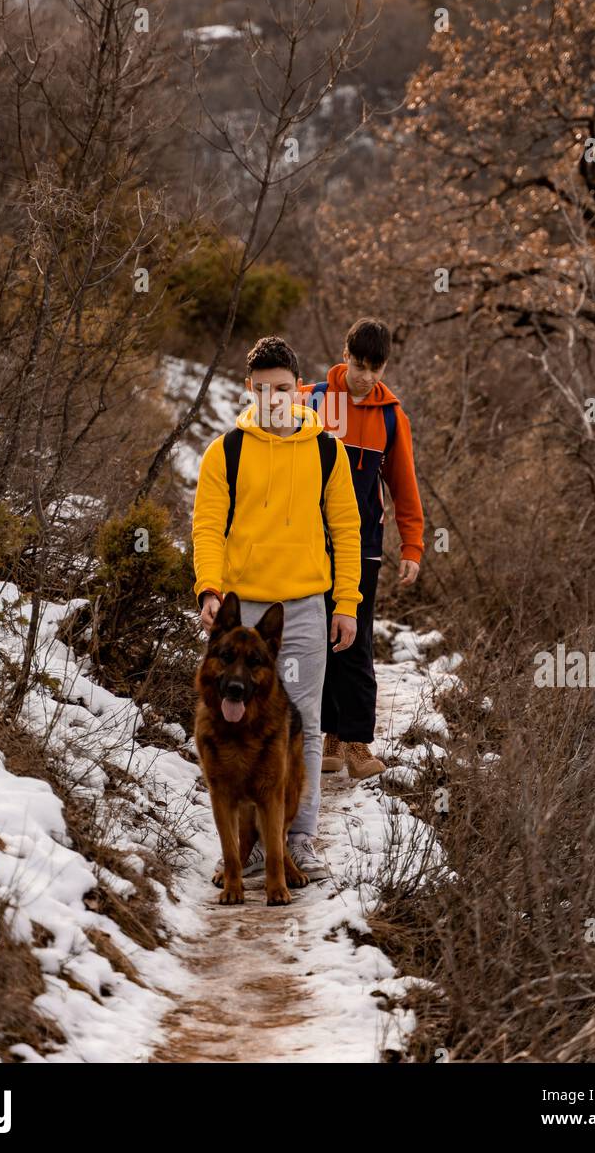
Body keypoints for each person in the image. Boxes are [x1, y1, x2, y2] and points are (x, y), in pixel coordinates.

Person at [192, 334, 362, 878]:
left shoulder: (327, 451)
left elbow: (347, 530)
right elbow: (207, 528)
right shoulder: (226, 452)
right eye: (262, 390)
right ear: (249, 389)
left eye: (283, 389)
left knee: (302, 724)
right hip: (242, 613)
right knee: (238, 725)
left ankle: (299, 840)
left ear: (299, 389)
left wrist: (347, 602)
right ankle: (247, 848)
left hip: (305, 608)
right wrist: (209, 589)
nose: (273, 399)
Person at [301, 318, 424, 779]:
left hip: (365, 545)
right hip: (310, 542)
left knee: (354, 639)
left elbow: (404, 486)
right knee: (314, 637)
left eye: (376, 368)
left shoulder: (391, 416)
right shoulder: (314, 401)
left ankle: (354, 742)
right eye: (359, 365)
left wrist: (412, 546)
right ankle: (327, 735)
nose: (366, 376)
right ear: (344, 355)